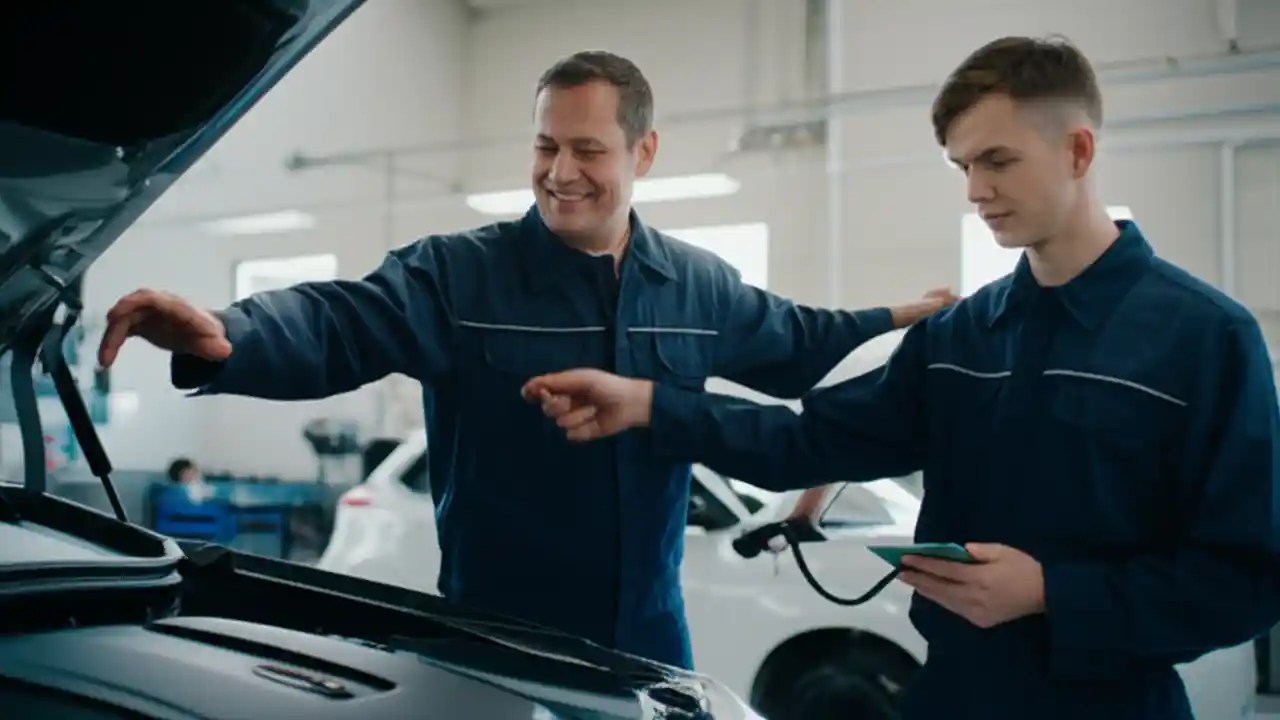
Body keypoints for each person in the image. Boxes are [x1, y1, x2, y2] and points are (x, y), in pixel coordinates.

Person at [95, 49, 952, 670]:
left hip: (651, 631)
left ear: (642, 154)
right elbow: (338, 321)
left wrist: (899, 316)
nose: (560, 172)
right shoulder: (459, 274)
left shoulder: (698, 286)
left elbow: (796, 341)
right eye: (547, 146)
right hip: (494, 633)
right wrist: (227, 331)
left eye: (589, 150)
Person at [521, 36, 1280, 719]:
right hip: (950, 694)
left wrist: (1052, 592)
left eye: (997, 161)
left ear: (1079, 151)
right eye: (963, 165)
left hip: (1114, 705)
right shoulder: (960, 337)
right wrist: (652, 405)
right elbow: (809, 440)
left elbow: (1247, 579)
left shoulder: (1205, 340)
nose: (975, 190)